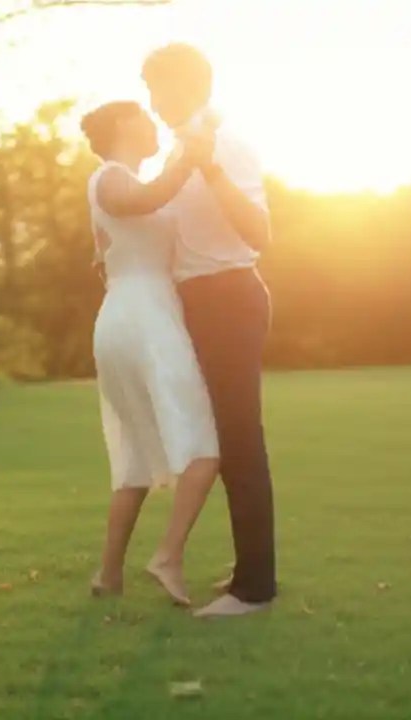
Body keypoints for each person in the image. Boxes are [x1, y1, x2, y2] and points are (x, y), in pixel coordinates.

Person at [143, 43, 277, 617]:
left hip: (230, 298)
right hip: (194, 304)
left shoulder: (228, 149)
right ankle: (252, 565)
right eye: (148, 89)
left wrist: (210, 167)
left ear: (194, 86)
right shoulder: (174, 154)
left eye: (161, 87)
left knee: (239, 438)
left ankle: (254, 589)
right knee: (219, 439)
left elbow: (259, 233)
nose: (153, 101)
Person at [82, 100, 220, 607]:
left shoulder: (128, 182)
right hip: (143, 315)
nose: (152, 124)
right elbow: (147, 198)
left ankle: (109, 574)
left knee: (137, 459)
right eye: (143, 116)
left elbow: (145, 207)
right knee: (205, 445)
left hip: (127, 312)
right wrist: (191, 155)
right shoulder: (111, 178)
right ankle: (167, 556)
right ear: (122, 124)